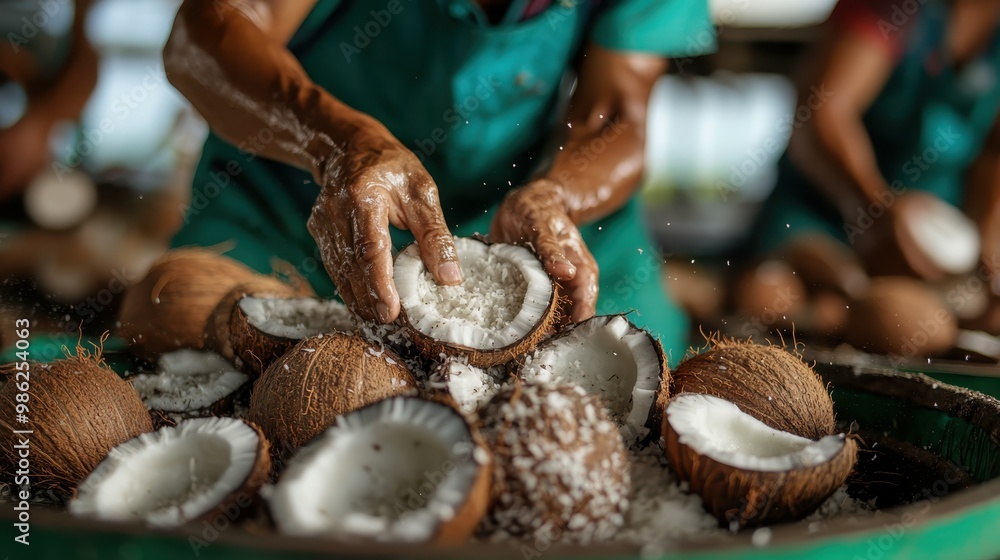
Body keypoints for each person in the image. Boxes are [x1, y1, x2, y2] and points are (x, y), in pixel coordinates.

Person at [163, 0, 716, 361]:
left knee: (634, 374)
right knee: (184, 336)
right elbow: (205, 35)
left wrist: (557, 196)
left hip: (530, 219)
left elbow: (616, 116)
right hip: (288, 204)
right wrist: (337, 146)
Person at [738, 0, 1000, 336]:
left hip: (933, 245)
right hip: (824, 215)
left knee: (973, 319)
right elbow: (821, 117)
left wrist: (989, 252)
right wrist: (873, 207)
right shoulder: (893, 8)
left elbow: (993, 155)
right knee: (771, 299)